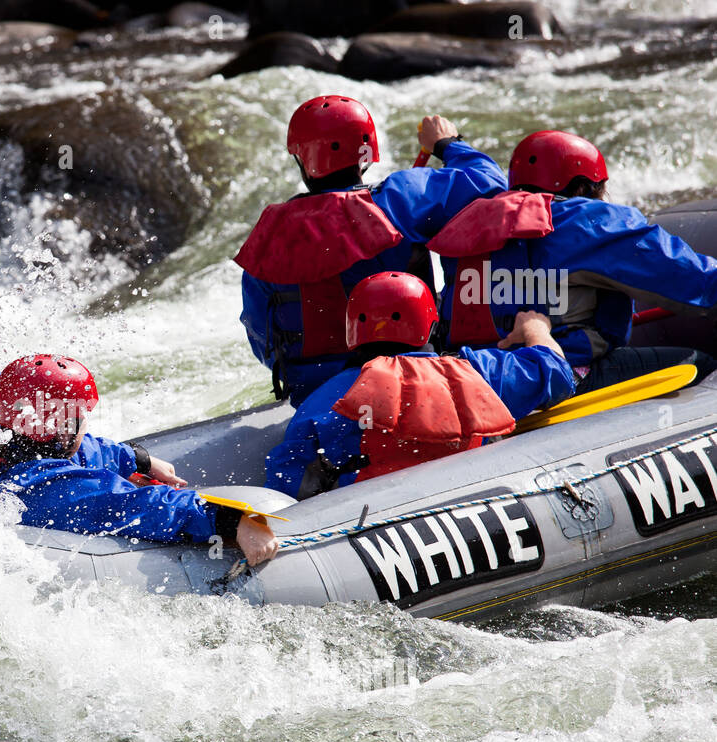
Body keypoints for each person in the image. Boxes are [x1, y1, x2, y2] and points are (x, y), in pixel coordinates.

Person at [235, 96, 508, 407]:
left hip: (318, 398)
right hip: (416, 381)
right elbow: (491, 183)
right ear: (366, 154)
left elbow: (263, 342)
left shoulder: (270, 237)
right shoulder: (400, 199)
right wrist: (448, 143)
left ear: (301, 159)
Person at [428, 130, 717, 391]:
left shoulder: (470, 220)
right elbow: (696, 282)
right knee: (701, 365)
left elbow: (475, 169)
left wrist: (449, 145)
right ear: (580, 189)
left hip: (482, 376)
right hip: (561, 376)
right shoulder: (590, 223)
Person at [265, 272, 576, 499]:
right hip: (479, 498)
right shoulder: (480, 372)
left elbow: (286, 487)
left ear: (353, 333)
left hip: (370, 523)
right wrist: (536, 327)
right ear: (432, 325)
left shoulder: (326, 401)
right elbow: (560, 374)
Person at [0, 354, 280, 566]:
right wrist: (230, 521)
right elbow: (134, 504)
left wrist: (138, 459)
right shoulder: (48, 488)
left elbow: (88, 449)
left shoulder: (13, 445)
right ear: (67, 428)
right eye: (81, 417)